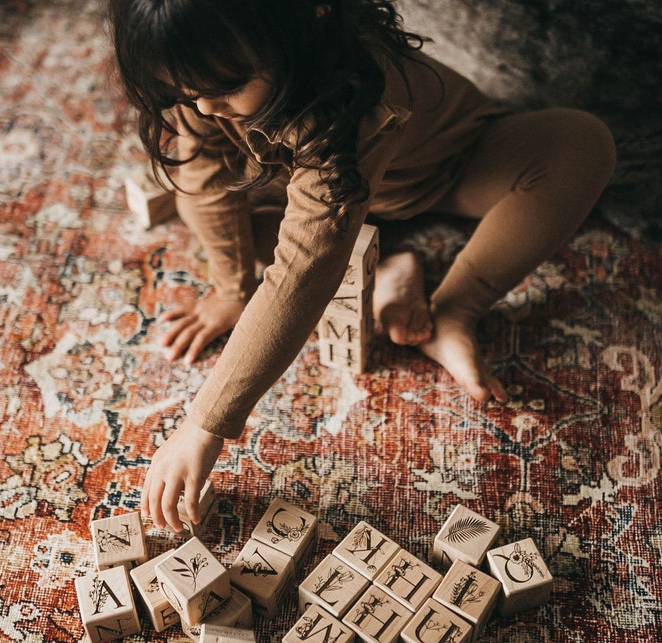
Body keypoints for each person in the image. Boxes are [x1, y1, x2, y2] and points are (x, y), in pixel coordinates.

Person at [108, 0, 616, 533]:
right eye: (185, 92)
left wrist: (204, 423)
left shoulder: (349, 90)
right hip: (315, 193)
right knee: (204, 192)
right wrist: (231, 287)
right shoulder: (205, 86)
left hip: (444, 171)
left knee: (582, 144)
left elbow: (302, 271)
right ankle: (388, 262)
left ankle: (454, 309)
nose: (205, 106)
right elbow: (204, 175)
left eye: (225, 87)